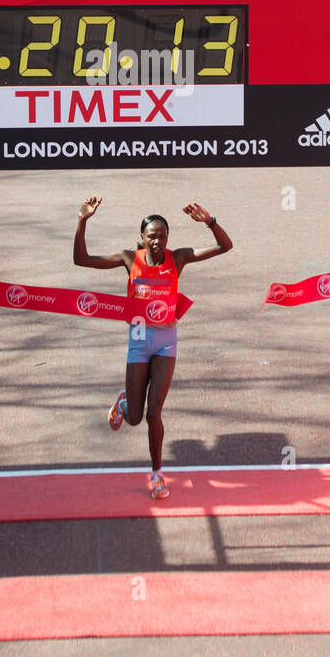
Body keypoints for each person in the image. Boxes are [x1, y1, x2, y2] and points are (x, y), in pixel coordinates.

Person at [73, 196, 232, 498]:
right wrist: (82, 221)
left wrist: (209, 221)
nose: (157, 241)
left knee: (153, 413)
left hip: (165, 342)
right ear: (142, 239)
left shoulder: (179, 257)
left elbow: (225, 247)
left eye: (162, 236)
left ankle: (157, 474)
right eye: (151, 236)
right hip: (138, 341)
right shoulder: (129, 259)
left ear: (168, 238)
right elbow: (82, 260)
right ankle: (123, 404)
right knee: (134, 417)